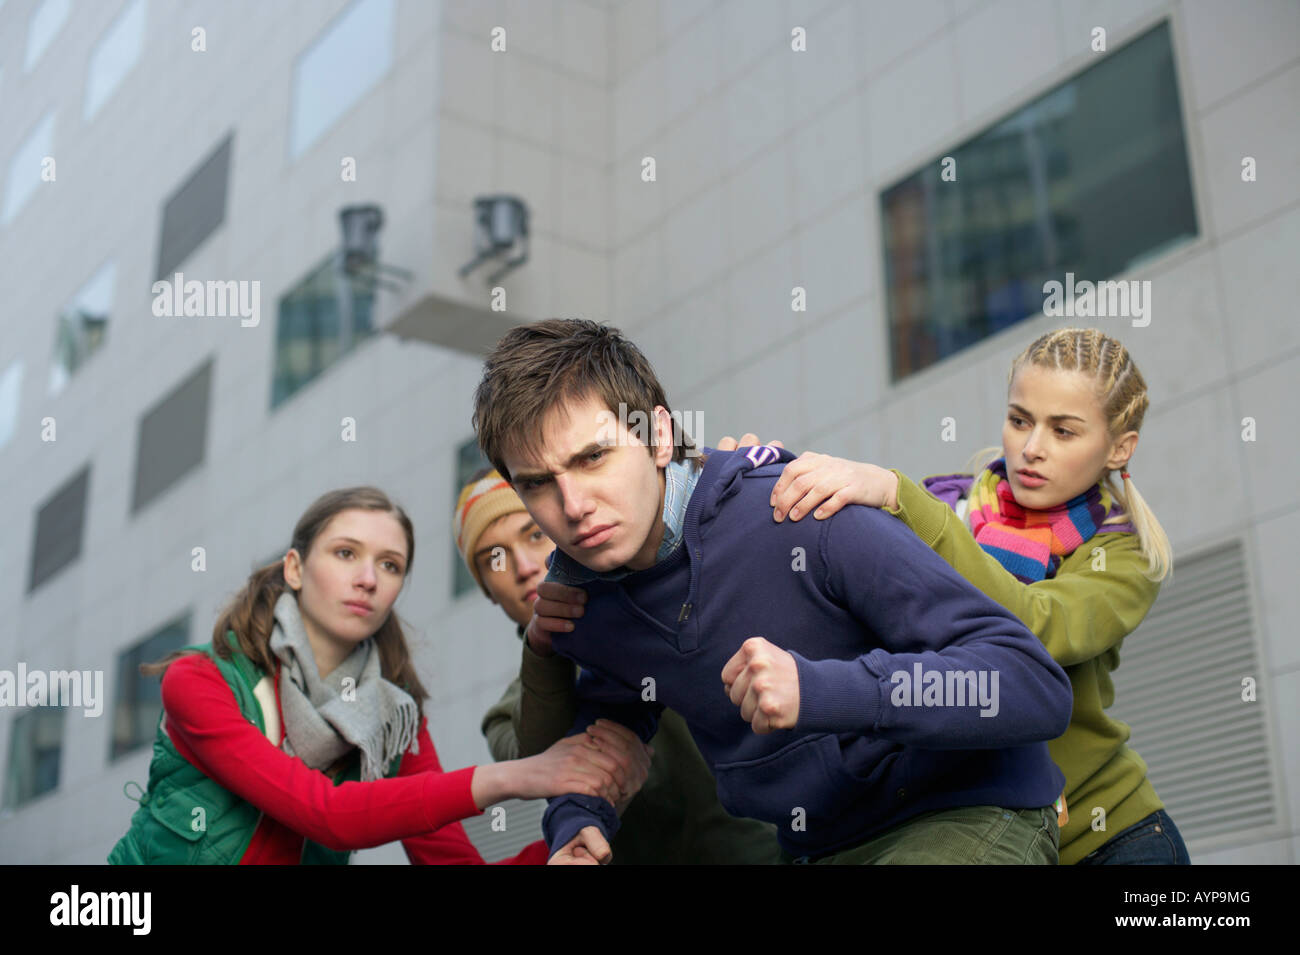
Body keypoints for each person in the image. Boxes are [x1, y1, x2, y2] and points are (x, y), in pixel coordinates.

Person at [472, 318, 1074, 865]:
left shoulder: (801, 510)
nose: (574, 506)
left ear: (658, 436)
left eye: (594, 458)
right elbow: (610, 725)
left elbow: (1030, 683)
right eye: (538, 484)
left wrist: (825, 689)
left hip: (966, 812)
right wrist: (579, 820)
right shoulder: (590, 603)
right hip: (817, 848)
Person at [748, 327, 1190, 865]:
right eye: (1020, 420)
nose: (1032, 449)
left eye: (1064, 431)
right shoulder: (945, 506)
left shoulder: (1122, 554)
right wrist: (757, 486)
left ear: (1119, 447)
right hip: (977, 828)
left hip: (1111, 841)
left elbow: (1031, 626)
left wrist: (896, 494)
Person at [109, 486, 641, 864]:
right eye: (346, 554)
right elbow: (328, 815)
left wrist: (561, 848)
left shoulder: (391, 718)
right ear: (295, 568)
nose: (367, 579)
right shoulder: (200, 680)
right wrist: (524, 776)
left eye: (390, 565)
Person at [457, 468, 780, 863]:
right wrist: (544, 649)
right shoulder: (507, 716)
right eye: (495, 559)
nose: (524, 566)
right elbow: (546, 759)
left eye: (535, 534)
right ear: (487, 590)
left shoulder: (675, 611)